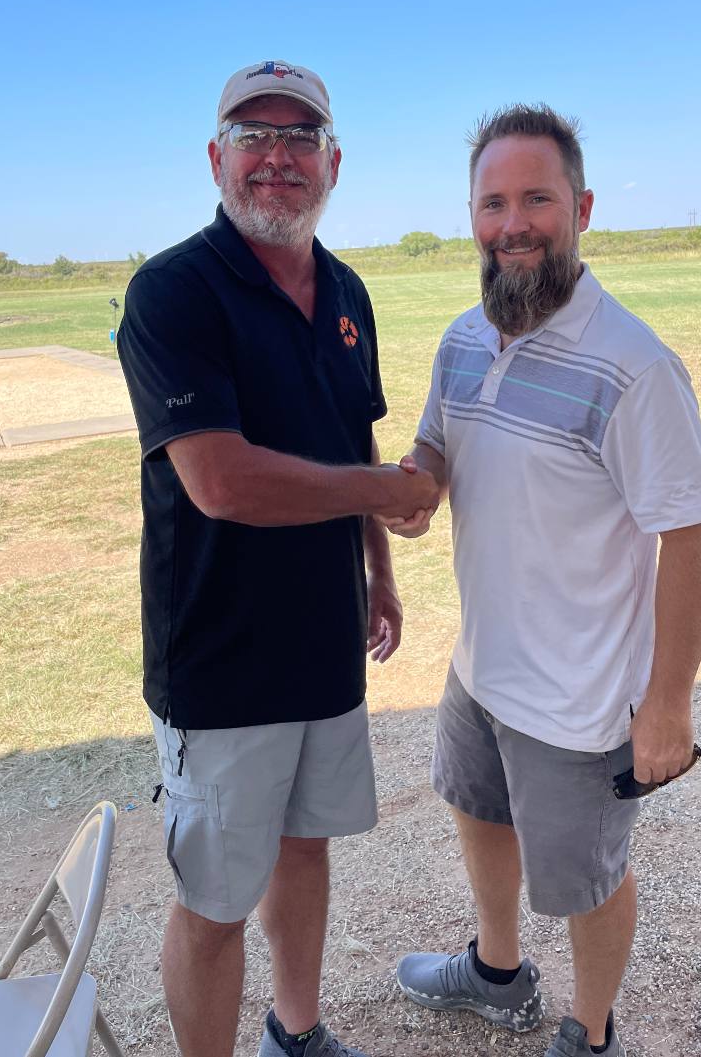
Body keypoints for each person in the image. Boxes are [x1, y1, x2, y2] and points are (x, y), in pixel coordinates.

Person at [116, 60, 439, 1057]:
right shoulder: (173, 292)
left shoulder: (346, 290)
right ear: (216, 157)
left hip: (324, 643)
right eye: (253, 134)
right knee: (214, 901)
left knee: (305, 849)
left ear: (333, 163)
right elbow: (222, 482)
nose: (277, 156)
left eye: (301, 137)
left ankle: (296, 1034)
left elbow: (349, 441)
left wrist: (378, 573)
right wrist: (383, 493)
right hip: (220, 660)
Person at [386, 104, 701, 1057]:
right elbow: (435, 448)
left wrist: (668, 703)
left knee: (586, 878)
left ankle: (591, 1029)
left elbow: (691, 537)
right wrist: (414, 490)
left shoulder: (634, 366)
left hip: (580, 699)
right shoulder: (462, 337)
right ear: (473, 216)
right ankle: (497, 975)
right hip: (482, 664)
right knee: (478, 809)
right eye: (494, 202)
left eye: (537, 198)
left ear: (580, 208)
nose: (514, 222)